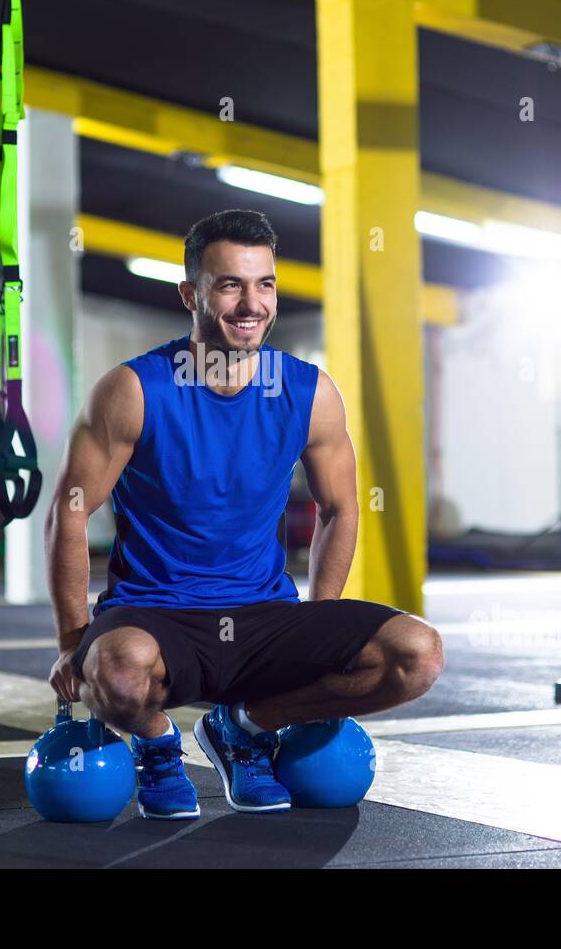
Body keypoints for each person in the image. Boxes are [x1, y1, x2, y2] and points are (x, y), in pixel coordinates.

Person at [44, 209, 443, 819]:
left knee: (417, 653)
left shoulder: (309, 392)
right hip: (156, 611)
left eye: (265, 284)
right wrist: (73, 643)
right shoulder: (134, 390)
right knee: (118, 675)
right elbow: (68, 513)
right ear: (191, 294)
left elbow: (339, 508)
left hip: (263, 613)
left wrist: (320, 619)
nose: (251, 303)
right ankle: (156, 744)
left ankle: (247, 728)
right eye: (229, 284)